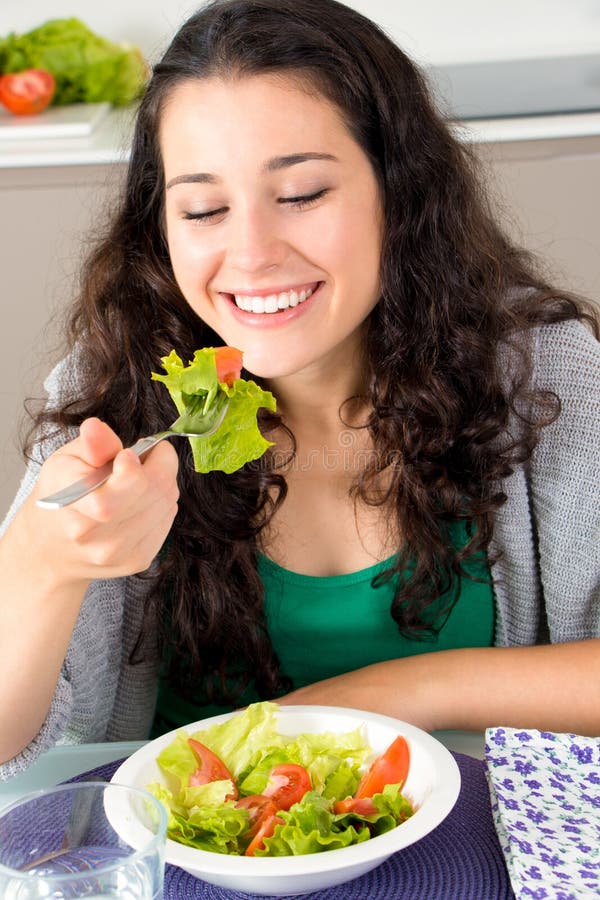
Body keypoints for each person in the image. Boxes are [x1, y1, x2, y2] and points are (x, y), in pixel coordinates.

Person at [1, 0, 599, 778]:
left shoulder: (542, 375)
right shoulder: (114, 389)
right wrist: (42, 566)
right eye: (205, 209)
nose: (251, 256)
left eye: (303, 195)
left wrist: (375, 698)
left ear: (401, 192)